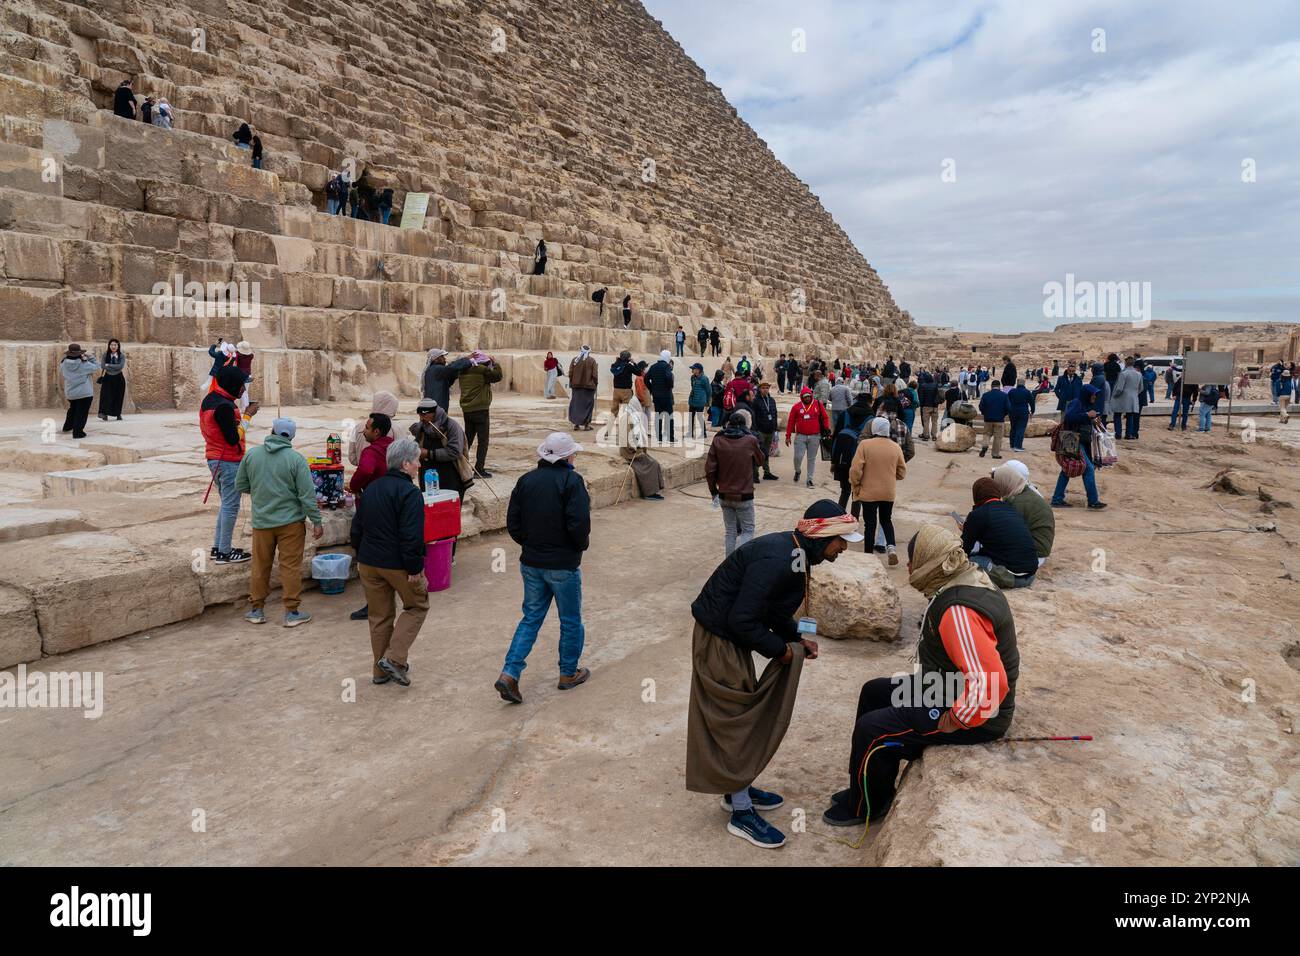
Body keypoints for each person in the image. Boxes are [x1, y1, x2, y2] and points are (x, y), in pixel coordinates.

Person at [689, 501, 862, 848]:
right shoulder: (777, 559)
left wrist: (796, 638)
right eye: (840, 539)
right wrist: (780, 651)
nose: (843, 547)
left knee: (739, 718)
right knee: (736, 721)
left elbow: (767, 609)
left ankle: (737, 787)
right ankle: (740, 810)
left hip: (728, 635)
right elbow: (743, 620)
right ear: (821, 535)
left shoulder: (793, 552)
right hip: (720, 638)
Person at [822, 524, 1018, 828]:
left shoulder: (958, 610)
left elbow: (992, 683)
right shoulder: (962, 579)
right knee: (873, 691)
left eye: (914, 560)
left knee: (872, 729)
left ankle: (867, 806)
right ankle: (868, 787)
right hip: (945, 686)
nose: (910, 566)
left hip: (978, 716)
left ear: (932, 562)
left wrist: (957, 718)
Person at [495, 433, 592, 703]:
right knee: (571, 620)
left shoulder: (525, 481)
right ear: (565, 457)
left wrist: (529, 543)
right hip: (563, 565)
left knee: (531, 618)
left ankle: (509, 673)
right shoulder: (572, 482)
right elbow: (579, 524)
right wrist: (577, 547)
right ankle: (568, 673)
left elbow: (513, 523)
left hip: (532, 563)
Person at [347, 436, 428, 684]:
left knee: (379, 616)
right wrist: (414, 568)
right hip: (397, 563)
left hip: (370, 561)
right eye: (416, 461)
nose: (419, 465)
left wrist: (362, 555)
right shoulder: (410, 493)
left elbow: (356, 528)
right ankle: (394, 659)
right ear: (405, 464)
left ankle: (380, 671)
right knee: (417, 606)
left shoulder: (372, 488)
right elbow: (411, 535)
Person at [237, 418, 323, 627]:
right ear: (291, 437)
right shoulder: (296, 459)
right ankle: (291, 613)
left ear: (271, 430)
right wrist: (317, 521)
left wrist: (261, 491)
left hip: (262, 523)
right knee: (290, 567)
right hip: (291, 523)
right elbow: (306, 495)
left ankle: (256, 610)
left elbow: (240, 484)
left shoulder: (252, 455)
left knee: (260, 566)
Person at [346, 411, 395, 622]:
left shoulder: (371, 452)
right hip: (392, 505)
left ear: (376, 431)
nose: (363, 431)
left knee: (363, 545)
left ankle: (373, 603)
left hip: (372, 506)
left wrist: (354, 486)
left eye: (366, 428)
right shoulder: (393, 447)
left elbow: (365, 471)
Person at [200, 366, 250, 564]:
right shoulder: (224, 407)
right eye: (241, 386)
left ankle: (219, 547)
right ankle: (225, 552)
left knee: (226, 505)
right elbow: (232, 438)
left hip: (215, 458)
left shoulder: (210, 399)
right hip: (227, 461)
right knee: (231, 507)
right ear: (232, 385)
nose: (243, 391)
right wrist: (247, 417)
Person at [958, 478, 1039, 588]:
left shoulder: (978, 514)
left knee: (967, 562)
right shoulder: (1010, 509)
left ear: (976, 495)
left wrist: (968, 528)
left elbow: (963, 550)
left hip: (1012, 577)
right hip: (1030, 575)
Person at [849, 417, 907, 563]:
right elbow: (902, 472)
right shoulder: (895, 447)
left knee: (870, 524)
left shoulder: (865, 445)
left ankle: (868, 555)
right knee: (886, 520)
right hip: (888, 492)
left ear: (874, 429)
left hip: (868, 492)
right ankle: (891, 547)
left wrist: (855, 483)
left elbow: (856, 469)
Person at [706, 413, 766, 555]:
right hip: (744, 495)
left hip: (724, 495)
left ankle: (729, 565)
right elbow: (760, 460)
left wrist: (713, 491)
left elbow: (710, 470)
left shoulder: (718, 440)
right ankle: (739, 563)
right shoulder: (750, 440)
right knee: (748, 530)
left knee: (730, 532)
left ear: (728, 424)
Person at [1051, 383, 1106, 510]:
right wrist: (1087, 415)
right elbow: (1069, 417)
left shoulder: (1085, 405)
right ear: (1087, 394)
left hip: (1079, 441)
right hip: (1073, 441)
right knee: (1088, 468)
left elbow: (1081, 419)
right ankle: (1093, 501)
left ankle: (1057, 498)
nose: (1094, 397)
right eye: (1093, 394)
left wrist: (1092, 419)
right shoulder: (1077, 403)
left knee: (1067, 470)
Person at [992, 460, 1054, 568]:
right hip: (1035, 549)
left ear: (1010, 478)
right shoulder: (1023, 492)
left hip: (1033, 555)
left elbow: (1006, 532)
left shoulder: (1018, 501)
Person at [409, 398, 470, 499]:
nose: (421, 419)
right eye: (419, 415)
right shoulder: (423, 426)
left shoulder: (452, 426)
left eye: (423, 415)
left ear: (433, 413)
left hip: (451, 477)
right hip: (429, 478)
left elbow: (455, 452)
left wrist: (428, 453)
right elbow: (417, 443)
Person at [457, 350, 503, 477]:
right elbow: (498, 376)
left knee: (468, 439)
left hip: (467, 409)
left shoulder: (462, 371)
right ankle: (479, 469)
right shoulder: (482, 370)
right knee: (483, 441)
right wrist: (495, 363)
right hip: (481, 409)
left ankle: (460, 465)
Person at [785, 387, 829, 488]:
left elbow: (825, 417)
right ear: (802, 397)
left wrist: (826, 429)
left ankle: (809, 480)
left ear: (811, 396)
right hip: (801, 436)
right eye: (805, 397)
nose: (807, 398)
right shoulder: (796, 407)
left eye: (809, 396)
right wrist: (788, 436)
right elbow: (791, 422)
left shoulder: (818, 404)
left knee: (811, 459)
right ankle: (798, 470)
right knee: (798, 457)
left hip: (815, 436)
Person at [831, 405, 869, 518]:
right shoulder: (870, 418)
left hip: (843, 461)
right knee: (856, 494)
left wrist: (833, 461)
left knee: (844, 491)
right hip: (860, 462)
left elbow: (835, 437)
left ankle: (839, 518)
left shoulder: (845, 414)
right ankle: (853, 520)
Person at [348, 391, 399, 468]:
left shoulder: (357, 427)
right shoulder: (396, 428)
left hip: (363, 474)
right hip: (385, 477)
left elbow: (352, 458)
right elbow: (403, 458)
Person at [60, 343, 100, 439]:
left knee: (73, 409)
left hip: (70, 393)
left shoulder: (63, 363)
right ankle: (78, 432)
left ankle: (67, 427)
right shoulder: (84, 364)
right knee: (81, 413)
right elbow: (97, 366)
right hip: (84, 393)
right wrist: (90, 357)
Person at [645, 349, 676, 444]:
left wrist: (652, 388)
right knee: (669, 416)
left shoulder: (653, 367)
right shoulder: (667, 366)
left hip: (656, 396)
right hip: (666, 396)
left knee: (658, 416)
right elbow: (668, 377)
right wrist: (669, 386)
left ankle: (659, 437)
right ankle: (670, 437)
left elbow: (646, 378)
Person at [751, 381, 779, 480]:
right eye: (763, 388)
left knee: (766, 453)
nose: (765, 389)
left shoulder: (771, 400)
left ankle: (767, 472)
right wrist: (755, 429)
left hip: (770, 431)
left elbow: (775, 414)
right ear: (759, 389)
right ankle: (755, 474)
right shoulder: (756, 401)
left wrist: (775, 428)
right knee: (759, 452)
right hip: (760, 431)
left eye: (767, 388)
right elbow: (753, 416)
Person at [567, 346, 598, 430]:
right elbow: (594, 375)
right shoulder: (592, 361)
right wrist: (595, 384)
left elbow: (570, 373)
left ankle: (576, 425)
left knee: (576, 405)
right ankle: (586, 425)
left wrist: (572, 383)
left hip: (576, 387)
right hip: (588, 388)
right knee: (587, 406)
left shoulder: (575, 360)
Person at [1111, 356, 1143, 439]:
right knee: (1130, 416)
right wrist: (1135, 393)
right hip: (1133, 397)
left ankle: (1118, 433)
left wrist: (1114, 395)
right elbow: (1141, 388)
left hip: (1122, 397)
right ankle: (1128, 434)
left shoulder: (1123, 373)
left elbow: (1119, 388)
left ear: (1126, 363)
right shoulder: (1139, 374)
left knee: (1117, 415)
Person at [977, 381, 1010, 459]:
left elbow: (981, 407)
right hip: (999, 420)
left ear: (991, 386)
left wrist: (984, 413)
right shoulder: (1004, 395)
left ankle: (985, 445)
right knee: (998, 437)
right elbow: (1008, 408)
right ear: (999, 386)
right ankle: (995, 454)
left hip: (988, 419)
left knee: (986, 434)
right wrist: (1003, 414)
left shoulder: (985, 395)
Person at [96, 339, 126, 421]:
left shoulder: (121, 355)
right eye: (112, 345)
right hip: (108, 377)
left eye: (115, 345)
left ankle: (118, 414)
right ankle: (104, 414)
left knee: (118, 396)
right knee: (106, 396)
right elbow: (102, 366)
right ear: (109, 346)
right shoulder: (105, 354)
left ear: (118, 346)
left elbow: (120, 366)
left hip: (119, 378)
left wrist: (108, 365)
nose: (113, 346)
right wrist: (114, 367)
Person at [1006, 377, 1035, 451]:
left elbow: (1007, 401)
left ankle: (1012, 445)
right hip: (1023, 412)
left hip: (1012, 412)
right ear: (1024, 384)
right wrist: (1032, 411)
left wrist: (1007, 411)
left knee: (1013, 428)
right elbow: (1032, 402)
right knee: (1021, 428)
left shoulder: (1012, 391)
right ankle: (1018, 446)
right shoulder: (1027, 392)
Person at [609, 350, 638, 419]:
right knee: (626, 411)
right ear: (628, 358)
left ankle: (609, 427)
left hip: (616, 390)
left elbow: (614, 367)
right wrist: (634, 363)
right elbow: (639, 372)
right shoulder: (628, 366)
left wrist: (617, 361)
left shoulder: (615, 365)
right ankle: (624, 429)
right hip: (626, 391)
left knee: (614, 411)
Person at [687, 362, 711, 439]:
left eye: (693, 369)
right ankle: (690, 433)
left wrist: (707, 402)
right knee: (691, 417)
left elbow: (709, 391)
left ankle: (703, 433)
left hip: (700, 401)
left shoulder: (704, 378)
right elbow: (693, 387)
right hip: (692, 401)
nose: (692, 370)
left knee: (700, 417)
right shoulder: (692, 377)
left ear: (698, 370)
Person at [916, 371, 939, 440]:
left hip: (926, 406)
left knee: (926, 422)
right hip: (934, 406)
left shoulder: (923, 386)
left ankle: (926, 435)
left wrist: (922, 405)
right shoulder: (935, 385)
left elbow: (921, 397)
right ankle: (934, 436)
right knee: (934, 422)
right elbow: (937, 396)